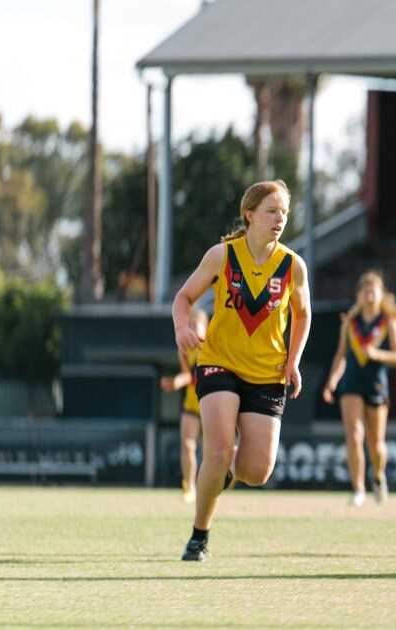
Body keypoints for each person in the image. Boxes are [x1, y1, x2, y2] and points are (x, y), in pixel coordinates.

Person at [172, 179, 312, 562]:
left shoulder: (293, 266)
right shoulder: (222, 256)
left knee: (257, 471)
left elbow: (302, 315)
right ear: (249, 215)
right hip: (219, 362)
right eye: (271, 211)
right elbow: (183, 298)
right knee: (216, 450)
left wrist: (293, 361)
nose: (279, 219)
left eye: (284, 212)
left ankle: (224, 472)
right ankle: (199, 537)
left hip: (268, 373)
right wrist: (182, 327)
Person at [322, 270, 396, 506]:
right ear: (358, 294)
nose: (369, 294)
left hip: (376, 385)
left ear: (382, 295)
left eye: (374, 290)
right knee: (354, 436)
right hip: (351, 384)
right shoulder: (350, 324)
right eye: (365, 290)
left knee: (376, 445)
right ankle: (357, 488)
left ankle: (378, 476)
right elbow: (341, 355)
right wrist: (332, 381)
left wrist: (377, 354)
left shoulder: (388, 323)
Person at [160, 306, 209, 504]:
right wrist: (175, 383)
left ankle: (209, 488)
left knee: (210, 452)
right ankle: (190, 486)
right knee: (187, 445)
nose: (191, 329)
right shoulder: (185, 350)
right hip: (191, 405)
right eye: (189, 325)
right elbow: (188, 374)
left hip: (210, 405)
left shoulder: (213, 346)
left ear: (205, 327)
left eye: (195, 325)